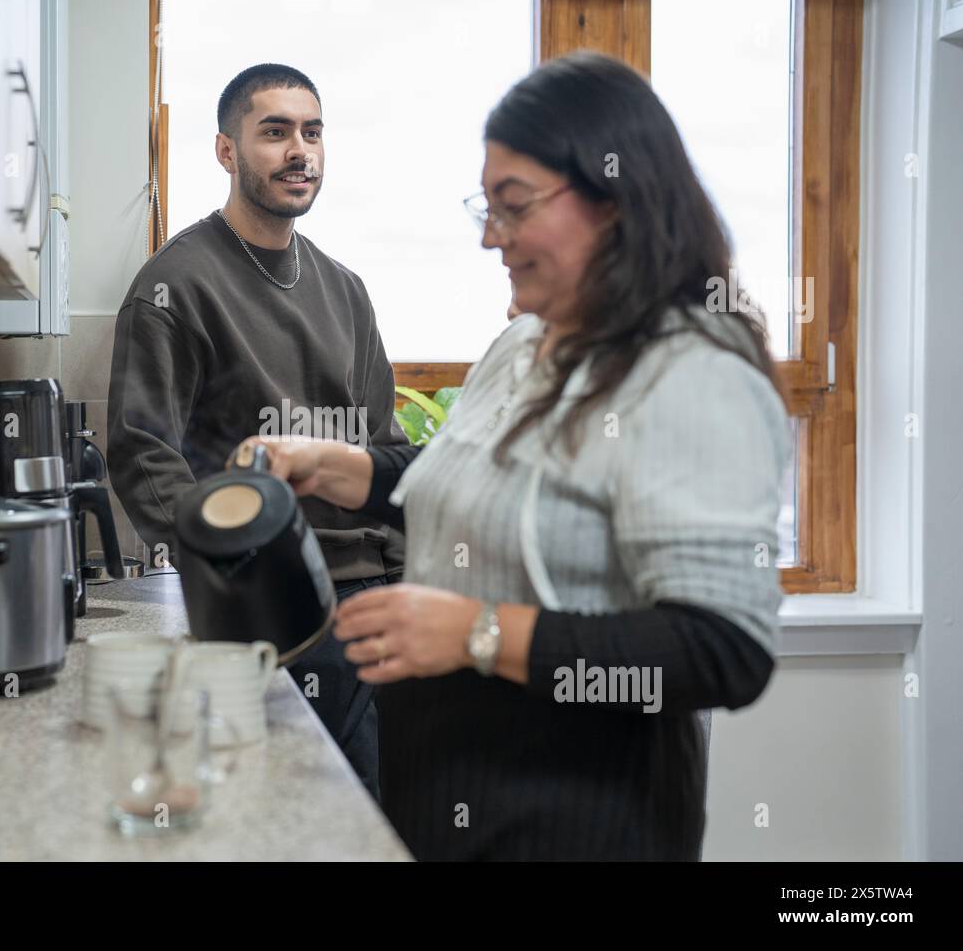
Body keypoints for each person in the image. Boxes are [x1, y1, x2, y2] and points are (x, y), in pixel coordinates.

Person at [234, 52, 791, 860]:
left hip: (579, 824)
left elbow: (724, 650)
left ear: (614, 200)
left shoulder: (691, 376)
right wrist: (341, 468)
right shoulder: (528, 339)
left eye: (515, 206)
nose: (492, 237)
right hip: (454, 801)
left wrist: (478, 634)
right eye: (485, 207)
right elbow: (479, 488)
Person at [107, 64, 407, 798]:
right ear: (226, 151)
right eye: (274, 132)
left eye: (311, 131)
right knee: (304, 824)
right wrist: (235, 580)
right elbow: (144, 456)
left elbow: (386, 447)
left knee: (385, 824)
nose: (298, 151)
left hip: (376, 607)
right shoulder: (174, 286)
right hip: (274, 623)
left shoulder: (346, 289)